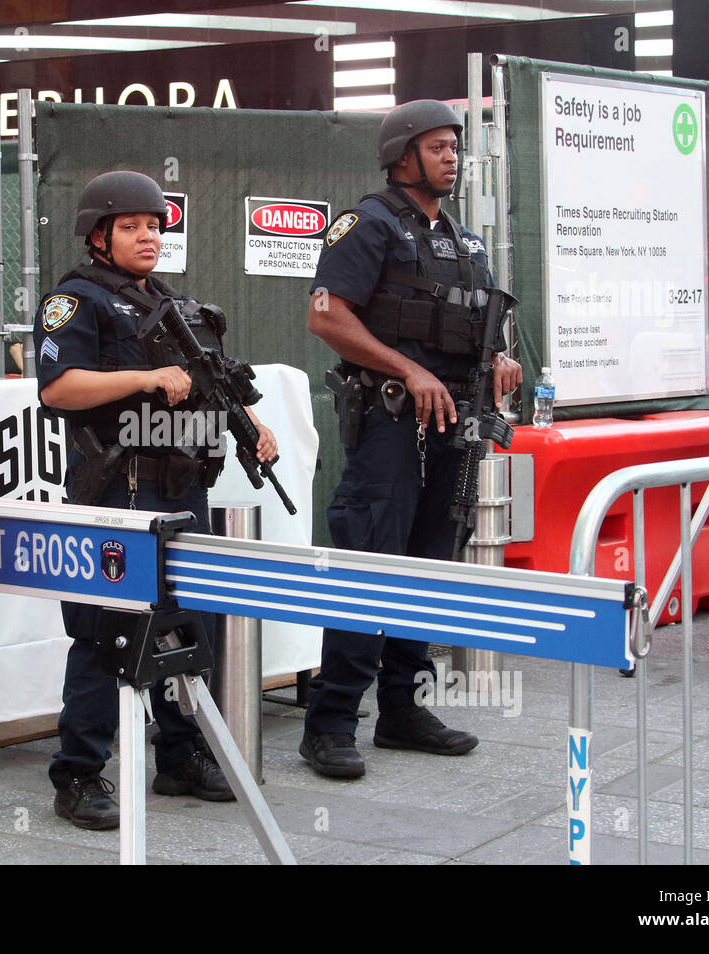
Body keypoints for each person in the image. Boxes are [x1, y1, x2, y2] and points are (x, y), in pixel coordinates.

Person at [33, 171, 278, 829]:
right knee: (103, 633)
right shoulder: (76, 301)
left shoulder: (178, 305)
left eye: (155, 225)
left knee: (184, 627)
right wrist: (144, 377)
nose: (148, 236)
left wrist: (251, 428)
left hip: (181, 488)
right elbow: (57, 388)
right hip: (116, 488)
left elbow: (212, 385)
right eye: (132, 226)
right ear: (99, 234)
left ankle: (179, 755)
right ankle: (79, 772)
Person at [300, 100, 522, 779]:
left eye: (455, 146)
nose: (451, 156)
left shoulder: (464, 239)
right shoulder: (366, 226)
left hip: (454, 423)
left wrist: (502, 362)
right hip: (391, 422)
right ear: (402, 155)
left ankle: (402, 708)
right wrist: (408, 369)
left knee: (428, 568)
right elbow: (326, 318)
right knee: (369, 562)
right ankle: (331, 723)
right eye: (437, 146)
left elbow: (481, 325)